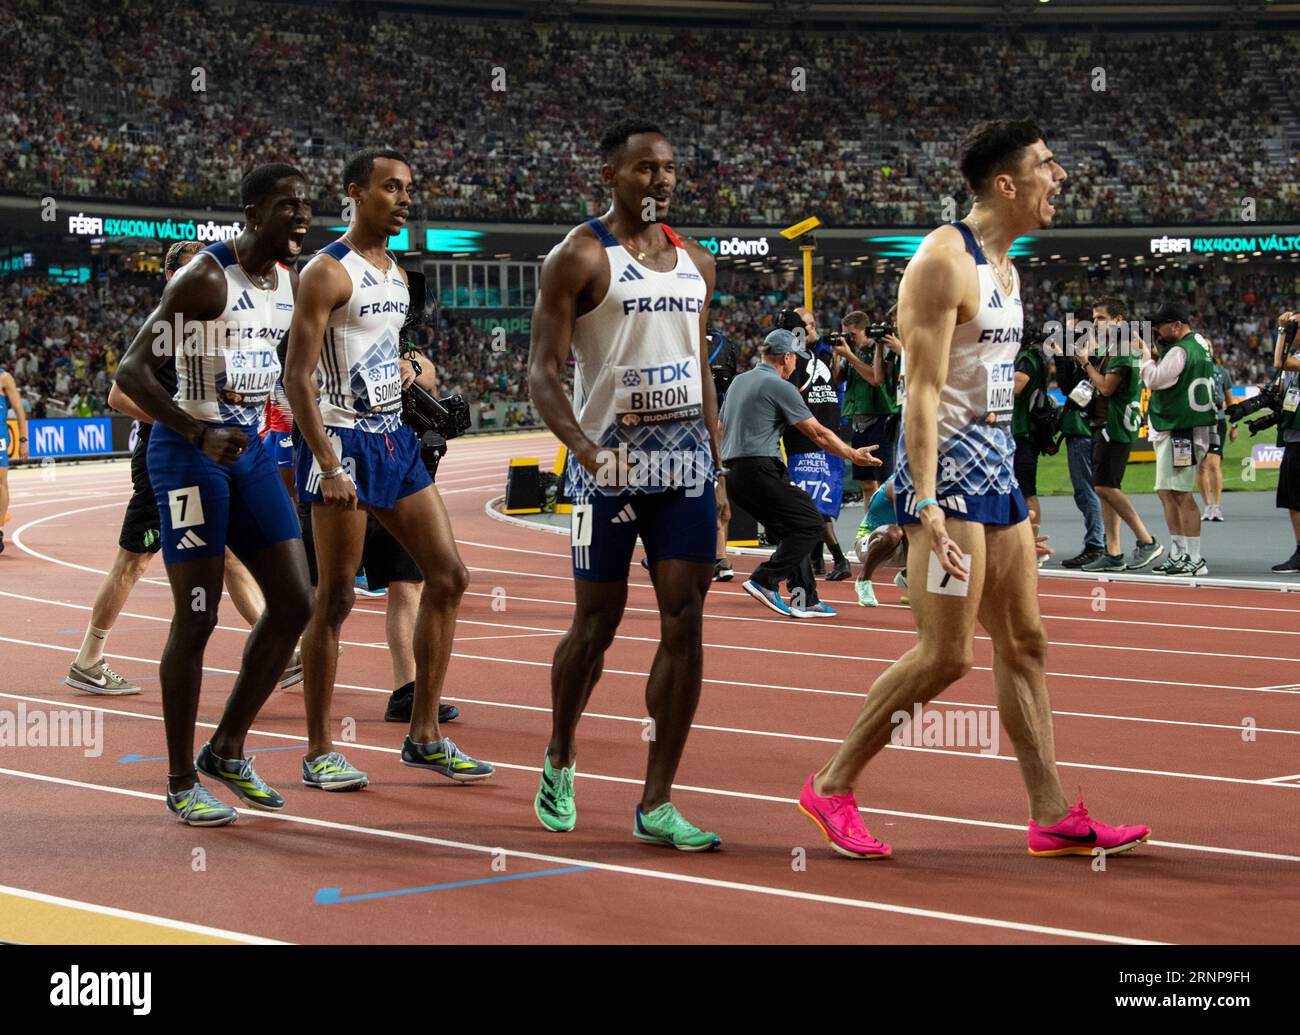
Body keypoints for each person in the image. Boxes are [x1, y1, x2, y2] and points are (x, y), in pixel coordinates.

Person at [799, 120, 1150, 860]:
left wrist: (1019, 497)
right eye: (1047, 166)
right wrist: (921, 503)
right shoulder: (941, 261)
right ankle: (831, 783)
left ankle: (1052, 813)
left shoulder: (1008, 268)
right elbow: (919, 395)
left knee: (1026, 642)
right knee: (947, 654)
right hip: (945, 485)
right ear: (1006, 183)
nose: (1060, 178)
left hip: (995, 479)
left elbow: (986, 392)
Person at [526, 119, 728, 849]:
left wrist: (718, 460)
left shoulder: (697, 263)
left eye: (669, 169)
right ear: (610, 174)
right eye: (645, 169)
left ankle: (658, 799)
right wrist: (582, 449)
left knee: (686, 618)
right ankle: (559, 752)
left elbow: (701, 367)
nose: (662, 181)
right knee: (597, 625)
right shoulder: (578, 256)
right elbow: (541, 372)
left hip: (683, 467)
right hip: (608, 465)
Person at [112, 164, 315, 826]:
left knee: (294, 603)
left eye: (307, 207)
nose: (303, 218)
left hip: (248, 452)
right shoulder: (205, 276)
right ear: (253, 213)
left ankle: (226, 747)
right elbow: (131, 372)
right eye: (289, 207)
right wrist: (195, 429)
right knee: (197, 615)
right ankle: (178, 779)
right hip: (190, 456)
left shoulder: (287, 284)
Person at [286, 147, 488, 792]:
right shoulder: (326, 271)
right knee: (336, 598)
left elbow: (378, 353)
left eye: (409, 189)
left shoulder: (396, 271)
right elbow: (297, 378)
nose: (404, 199)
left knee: (448, 575)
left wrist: (408, 379)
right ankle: (320, 750)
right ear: (355, 193)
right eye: (391, 188)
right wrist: (327, 462)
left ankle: (423, 733)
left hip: (394, 442)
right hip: (341, 446)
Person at [66, 241, 290, 696]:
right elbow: (118, 396)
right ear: (172, 279)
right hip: (164, 460)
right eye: (193, 273)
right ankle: (88, 659)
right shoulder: (166, 330)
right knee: (132, 560)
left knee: (227, 557)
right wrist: (187, 427)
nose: (207, 283)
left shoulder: (208, 328)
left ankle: (285, 650)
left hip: (204, 461)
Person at [722, 329, 880, 618]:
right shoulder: (781, 387)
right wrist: (853, 454)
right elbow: (818, 434)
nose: (796, 365)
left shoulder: (738, 382)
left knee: (790, 529)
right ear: (787, 357)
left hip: (734, 475)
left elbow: (720, 429)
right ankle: (765, 579)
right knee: (810, 521)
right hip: (760, 469)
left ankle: (803, 598)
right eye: (796, 359)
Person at [1077, 297, 1163, 572]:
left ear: (1118, 320)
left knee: (1105, 487)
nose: (1095, 323)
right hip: (1105, 424)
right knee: (1105, 488)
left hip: (1115, 426)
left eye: (1100, 318)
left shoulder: (1123, 349)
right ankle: (1113, 552)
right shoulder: (1117, 346)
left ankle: (1146, 540)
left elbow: (1105, 388)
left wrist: (1086, 363)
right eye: (1094, 319)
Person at [1142, 301, 1216, 576]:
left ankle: (1194, 557)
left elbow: (1154, 379)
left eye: (1160, 325)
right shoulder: (1199, 343)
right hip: (1181, 428)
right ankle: (1179, 552)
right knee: (1167, 492)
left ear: (1176, 325)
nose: (1157, 331)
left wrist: (1145, 356)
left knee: (1181, 494)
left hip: (1180, 430)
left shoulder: (1180, 351)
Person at [785, 308, 852, 580]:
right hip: (825, 438)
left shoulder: (806, 358)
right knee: (815, 504)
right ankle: (816, 560)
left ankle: (838, 558)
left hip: (811, 440)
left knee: (812, 506)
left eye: (811, 325)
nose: (809, 330)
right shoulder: (814, 357)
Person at [836, 311, 901, 521]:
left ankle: (889, 528)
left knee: (884, 482)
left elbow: (875, 378)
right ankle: (870, 528)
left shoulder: (878, 349)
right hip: (858, 419)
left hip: (880, 418)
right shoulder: (850, 351)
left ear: (866, 331)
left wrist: (850, 356)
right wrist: (838, 354)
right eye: (845, 334)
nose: (849, 339)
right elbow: (837, 380)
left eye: (852, 335)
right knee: (865, 483)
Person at [1050, 336, 1106, 568]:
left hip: (1082, 432)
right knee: (1092, 490)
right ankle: (1101, 542)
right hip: (1086, 431)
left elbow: (1070, 391)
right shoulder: (1096, 362)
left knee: (1086, 491)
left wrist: (1062, 357)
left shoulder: (1090, 364)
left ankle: (1095, 545)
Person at [1268, 311, 1300, 572]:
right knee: (1293, 498)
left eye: (1296, 327)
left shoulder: (1294, 359)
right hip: (1293, 435)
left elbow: (1280, 362)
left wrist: (1281, 331)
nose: (1292, 330)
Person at [852, 475, 909, 608]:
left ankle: (906, 576)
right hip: (871, 544)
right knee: (894, 532)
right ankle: (863, 579)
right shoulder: (897, 484)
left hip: (904, 544)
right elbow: (906, 526)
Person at [1197, 345, 1234, 522]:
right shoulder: (1192, 370)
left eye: (1209, 345)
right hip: (1197, 422)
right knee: (1201, 466)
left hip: (1217, 421)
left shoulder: (1222, 372)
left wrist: (1234, 425)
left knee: (1213, 463)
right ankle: (1207, 506)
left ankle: (1217, 506)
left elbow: (1230, 402)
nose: (1207, 348)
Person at [0, 360, 28, 552]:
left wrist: (23, 440)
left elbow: (19, 411)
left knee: (0, 482)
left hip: (0, 438)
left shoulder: (4, 378)